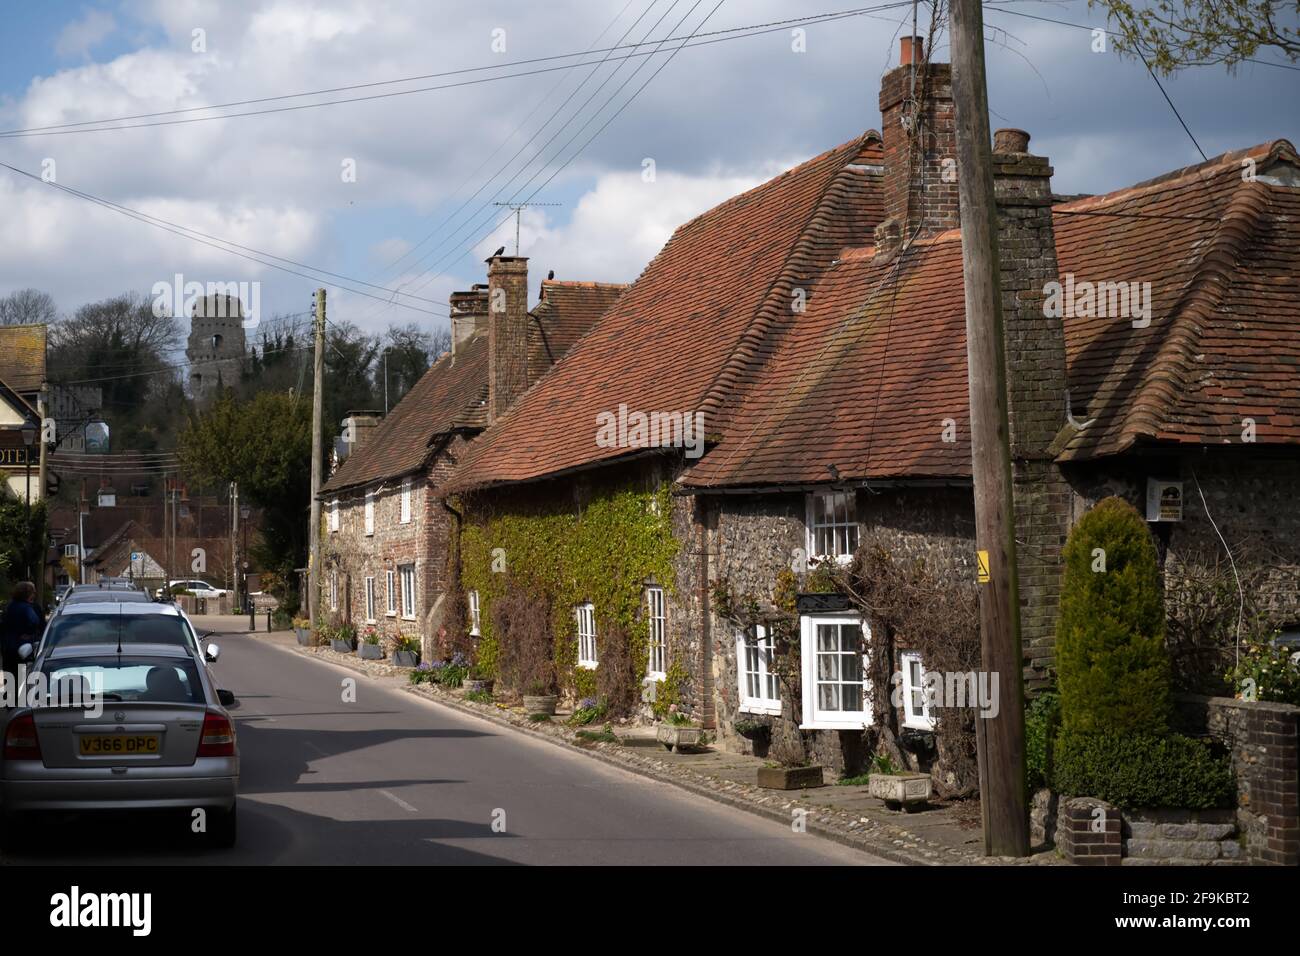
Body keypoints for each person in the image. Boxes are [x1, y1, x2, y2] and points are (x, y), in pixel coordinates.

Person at [1, 581, 43, 684]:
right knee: (22, 675)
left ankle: (10, 696)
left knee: (10, 674)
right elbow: (35, 621)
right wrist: (30, 633)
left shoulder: (9, 606)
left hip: (8, 646)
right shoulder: (26, 607)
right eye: (33, 592)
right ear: (28, 594)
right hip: (22, 646)